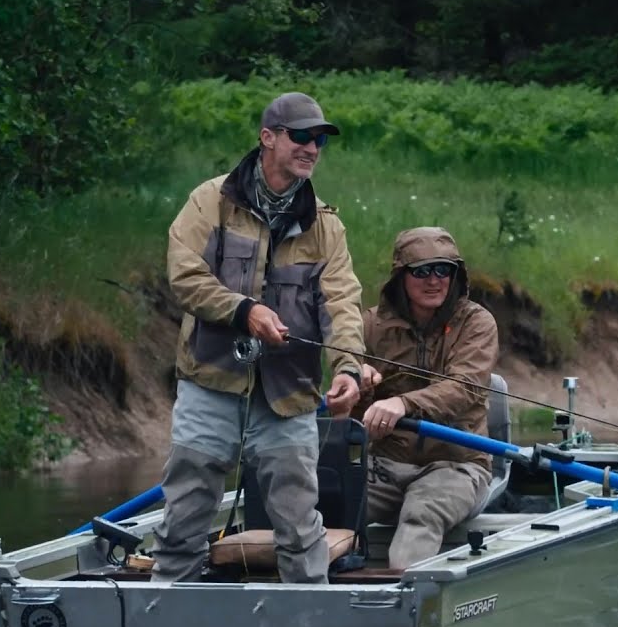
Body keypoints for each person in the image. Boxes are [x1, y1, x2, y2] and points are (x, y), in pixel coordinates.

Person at [152, 92, 365, 584]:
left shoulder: (326, 226)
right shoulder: (210, 201)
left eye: (320, 140)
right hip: (210, 384)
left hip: (288, 395)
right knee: (184, 519)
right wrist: (243, 310)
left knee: (298, 525)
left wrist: (349, 369)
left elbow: (342, 306)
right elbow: (184, 276)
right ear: (267, 138)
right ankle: (164, 626)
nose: (313, 147)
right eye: (301, 136)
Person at [355, 226, 499, 570]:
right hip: (384, 464)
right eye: (421, 271)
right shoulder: (370, 325)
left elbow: (464, 388)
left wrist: (403, 403)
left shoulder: (477, 323)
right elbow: (349, 414)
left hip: (458, 462)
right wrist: (359, 385)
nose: (433, 280)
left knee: (422, 512)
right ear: (401, 277)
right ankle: (312, 589)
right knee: (324, 503)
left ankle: (403, 601)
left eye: (443, 270)